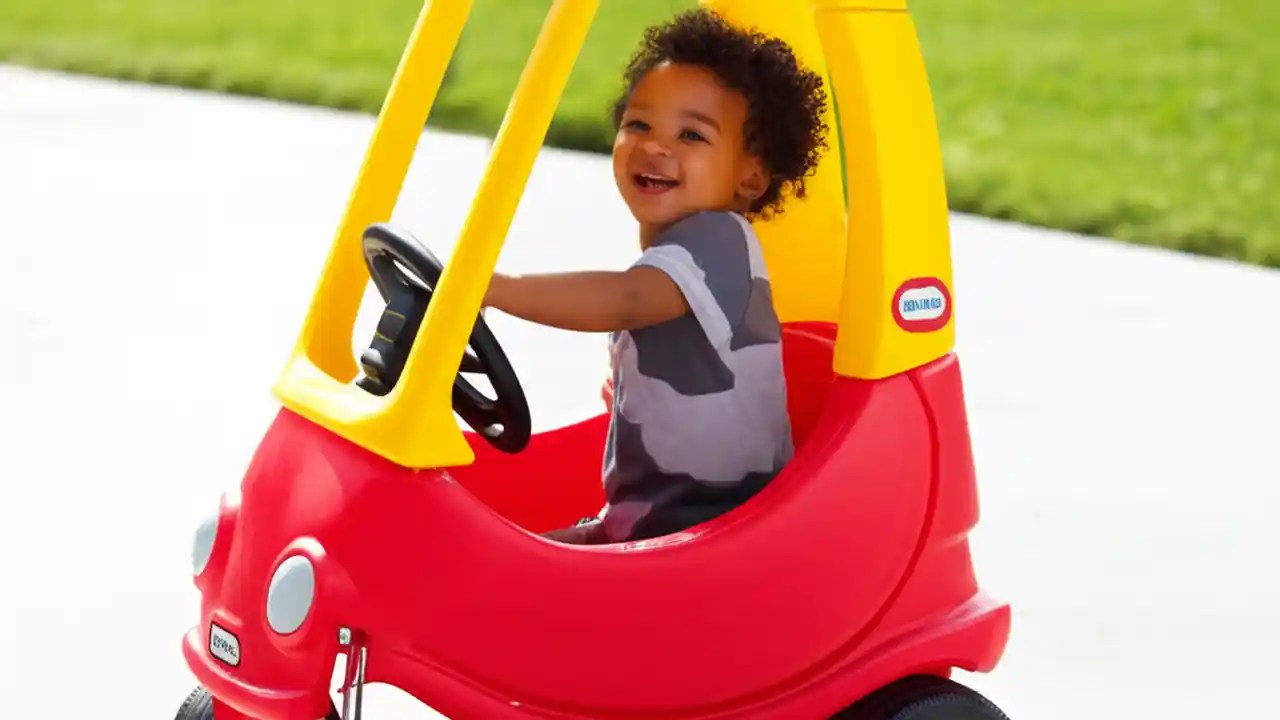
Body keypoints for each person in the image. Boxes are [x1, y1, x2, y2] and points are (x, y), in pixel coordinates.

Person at [482, 8, 830, 544]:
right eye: (638, 125)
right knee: (507, 552)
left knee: (500, 568)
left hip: (712, 531)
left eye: (691, 134)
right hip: (652, 523)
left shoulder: (719, 239)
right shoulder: (673, 256)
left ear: (751, 177)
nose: (655, 146)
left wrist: (498, 289)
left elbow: (626, 299)